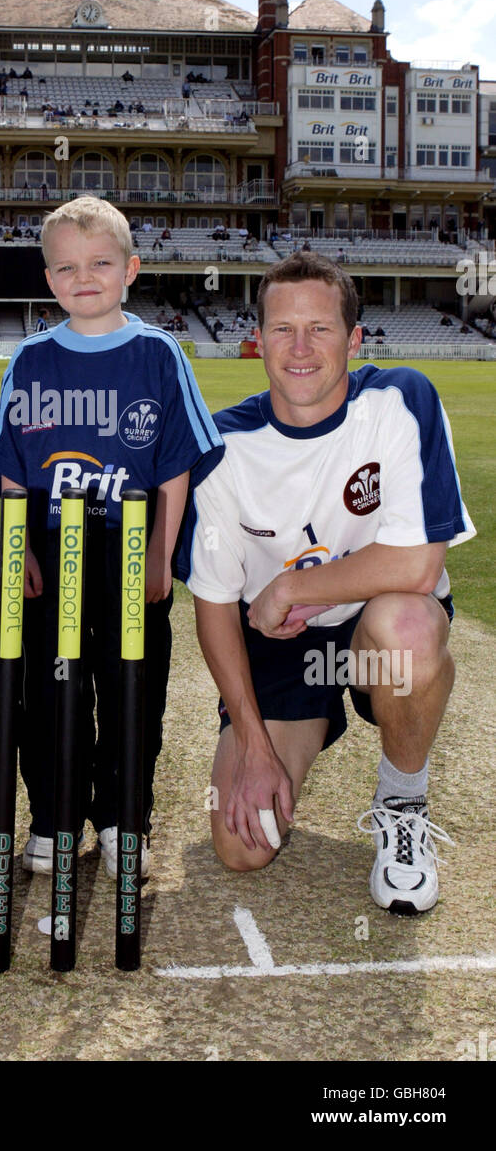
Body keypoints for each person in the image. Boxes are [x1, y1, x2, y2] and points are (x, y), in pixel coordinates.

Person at [179, 252, 475, 914]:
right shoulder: (224, 449)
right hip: (286, 652)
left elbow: (419, 566)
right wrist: (254, 744)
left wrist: (290, 589)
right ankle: (270, 740)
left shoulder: (402, 400)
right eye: (283, 329)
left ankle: (402, 804)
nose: (301, 347)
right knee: (243, 845)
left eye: (320, 328)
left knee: (409, 622)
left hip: (376, 629)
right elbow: (215, 607)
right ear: (258, 340)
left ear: (354, 339)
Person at [0, 196, 224, 877]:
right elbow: (11, 474)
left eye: (99, 264)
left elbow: (175, 466)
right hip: (53, 547)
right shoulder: (29, 360)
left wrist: (160, 558)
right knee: (47, 691)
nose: (82, 278)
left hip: (130, 543)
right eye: (65, 267)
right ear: (49, 277)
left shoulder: (159, 354)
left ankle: (123, 819)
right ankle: (54, 819)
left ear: (130, 269)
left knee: (130, 693)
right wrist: (17, 552)